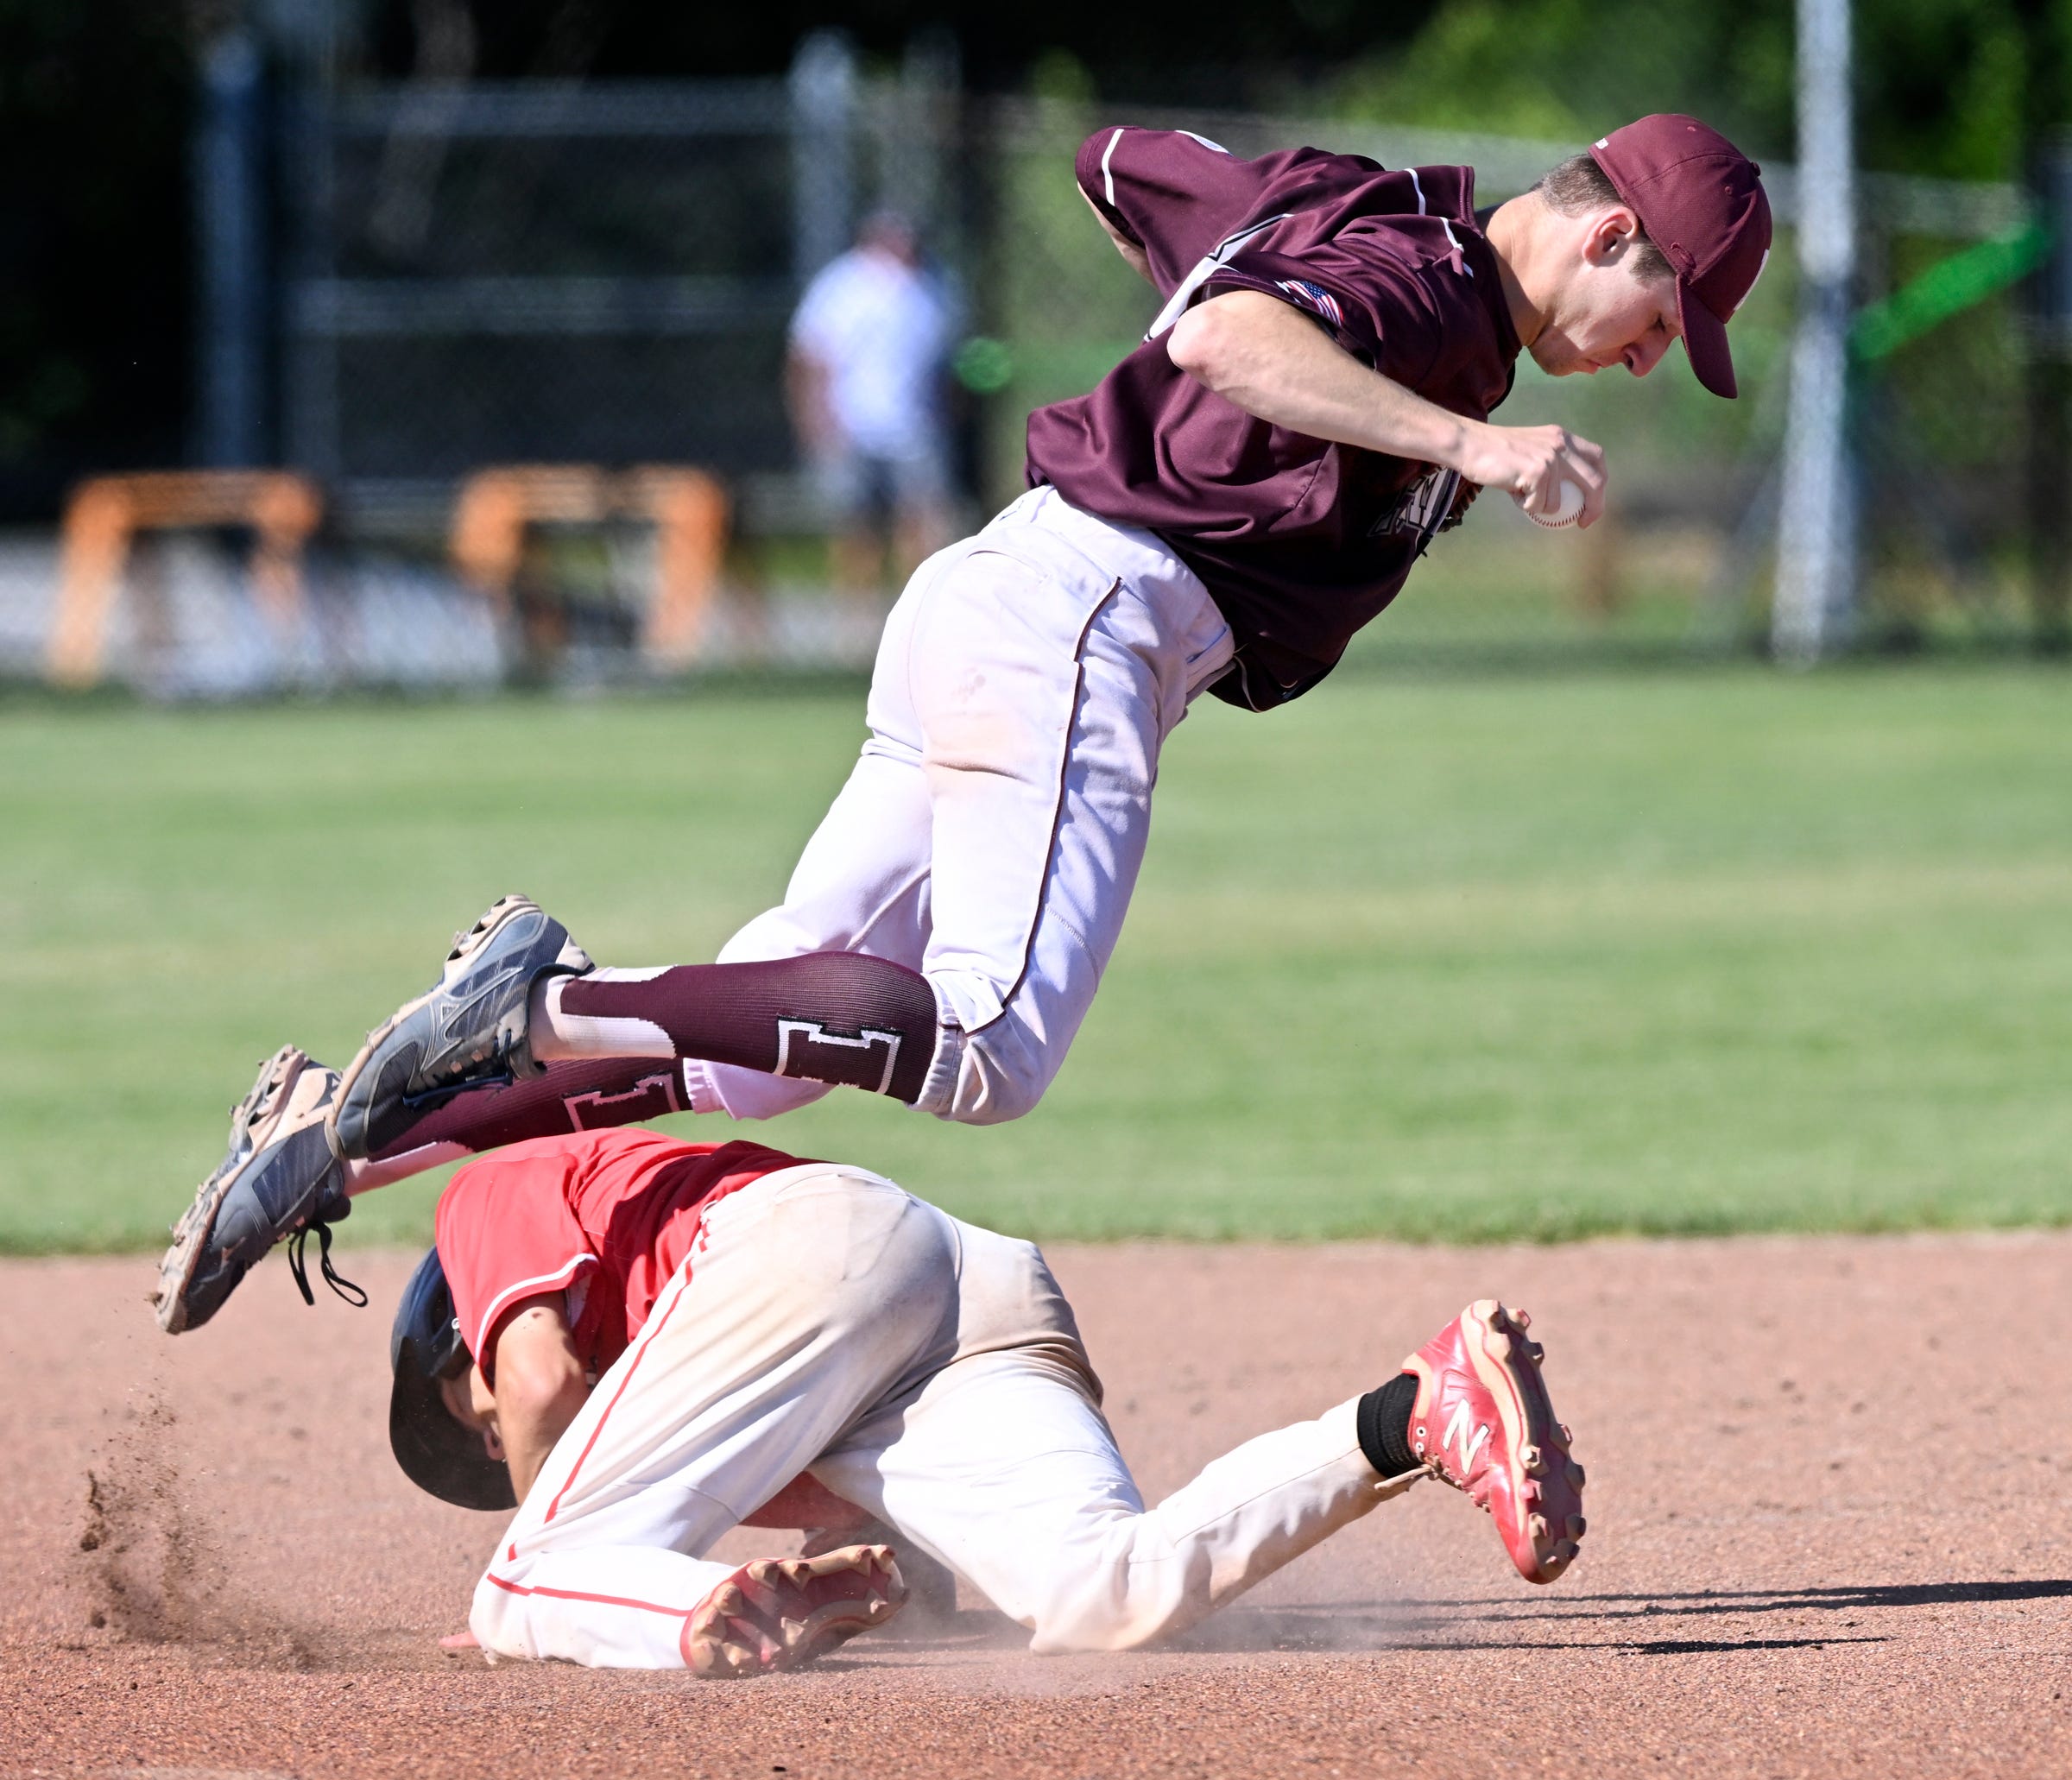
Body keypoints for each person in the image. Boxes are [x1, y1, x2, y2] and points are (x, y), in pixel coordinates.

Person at [154, 115, 1771, 1335]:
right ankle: (540, 999)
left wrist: (1232, 271)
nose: (1644, 357)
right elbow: (1228, 338)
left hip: (1001, 595)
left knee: (756, 1065)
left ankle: (337, 1142)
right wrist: (1464, 447)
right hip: (1091, 620)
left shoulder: (1358, 198)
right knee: (989, 1047)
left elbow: (1118, 163)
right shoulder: (1430, 292)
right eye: (1661, 314)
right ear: (1610, 228)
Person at [375, 1122, 1582, 1674]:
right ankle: (1409, 1415)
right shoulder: (723, 1397)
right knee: (1102, 1594)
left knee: (520, 1588)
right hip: (966, 1299)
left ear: (455, 1327)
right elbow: (907, 1554)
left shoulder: (483, 1205)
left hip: (806, 1248)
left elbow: (539, 1379)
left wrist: (539, 1565)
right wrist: (860, 1584)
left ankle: (642, 1607)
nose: (500, 1427)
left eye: (467, 1408)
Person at [786, 211, 963, 597]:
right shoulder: (841, 285)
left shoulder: (935, 285)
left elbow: (945, 361)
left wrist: (947, 412)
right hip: (852, 424)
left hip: (917, 425)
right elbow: (810, 357)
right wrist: (814, 418)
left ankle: (918, 602)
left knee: (923, 515)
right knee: (855, 523)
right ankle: (859, 611)